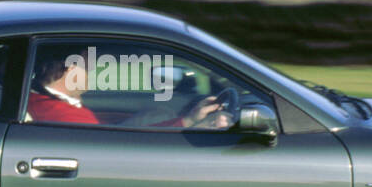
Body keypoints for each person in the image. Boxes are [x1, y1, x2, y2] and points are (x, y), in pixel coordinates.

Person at [26, 57, 230, 128]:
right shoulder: (64, 114)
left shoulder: (43, 101)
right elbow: (113, 148)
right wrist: (191, 124)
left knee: (158, 113)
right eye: (86, 66)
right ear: (71, 72)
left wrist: (190, 119)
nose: (92, 72)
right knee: (160, 114)